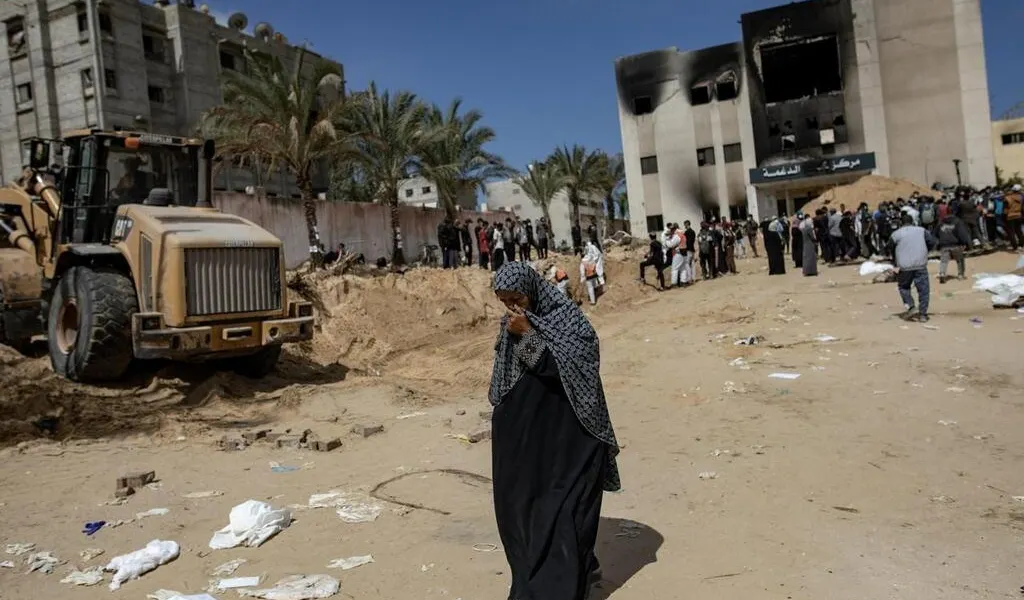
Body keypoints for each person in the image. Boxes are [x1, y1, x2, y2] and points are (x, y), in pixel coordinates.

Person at [489, 262, 621, 600]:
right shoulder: (515, 324)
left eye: (517, 297)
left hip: (570, 438)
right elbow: (505, 378)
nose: (513, 307)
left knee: (565, 512)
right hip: (531, 442)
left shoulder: (568, 321)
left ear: (532, 290)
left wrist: (529, 336)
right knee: (521, 511)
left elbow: (575, 369)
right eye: (505, 301)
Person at [891, 213, 937, 322]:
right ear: (912, 221)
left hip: (905, 266)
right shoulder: (922, 231)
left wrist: (895, 260)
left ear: (901, 223)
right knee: (923, 290)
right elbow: (932, 242)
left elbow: (890, 247)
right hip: (920, 264)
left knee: (903, 287)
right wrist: (925, 251)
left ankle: (911, 306)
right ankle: (923, 315)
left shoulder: (896, 234)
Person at [936, 211, 970, 283]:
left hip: (944, 245)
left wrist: (938, 243)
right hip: (956, 244)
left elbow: (936, 233)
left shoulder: (941, 222)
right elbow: (962, 233)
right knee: (959, 260)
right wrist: (965, 242)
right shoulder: (957, 222)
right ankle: (960, 275)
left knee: (944, 261)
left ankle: (942, 273)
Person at [1005, 184, 1023, 251]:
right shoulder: (1020, 197)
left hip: (1010, 216)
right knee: (1019, 231)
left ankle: (1015, 246)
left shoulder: (1007, 198)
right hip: (1018, 215)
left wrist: (1005, 215)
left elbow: (1005, 209)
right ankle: (1021, 245)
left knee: (1011, 232)